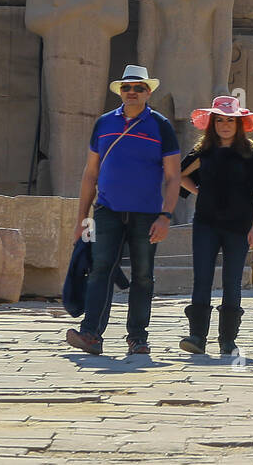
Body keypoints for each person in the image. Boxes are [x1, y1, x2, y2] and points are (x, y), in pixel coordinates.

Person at [66, 64, 181, 357]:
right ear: (119, 91)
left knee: (143, 275)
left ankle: (138, 338)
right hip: (107, 209)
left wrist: (166, 216)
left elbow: (173, 177)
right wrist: (82, 219)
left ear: (148, 92)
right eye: (127, 87)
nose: (132, 92)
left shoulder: (161, 126)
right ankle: (91, 334)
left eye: (139, 88)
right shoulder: (103, 124)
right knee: (100, 270)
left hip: (147, 213)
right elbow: (90, 173)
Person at [177, 95, 253, 357]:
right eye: (220, 120)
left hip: (239, 226)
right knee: (202, 279)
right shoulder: (203, 152)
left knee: (232, 282)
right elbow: (179, 175)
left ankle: (227, 340)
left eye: (230, 120)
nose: (225, 125)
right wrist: (199, 192)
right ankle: (197, 336)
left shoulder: (251, 154)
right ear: (212, 123)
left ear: (239, 123)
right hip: (206, 223)